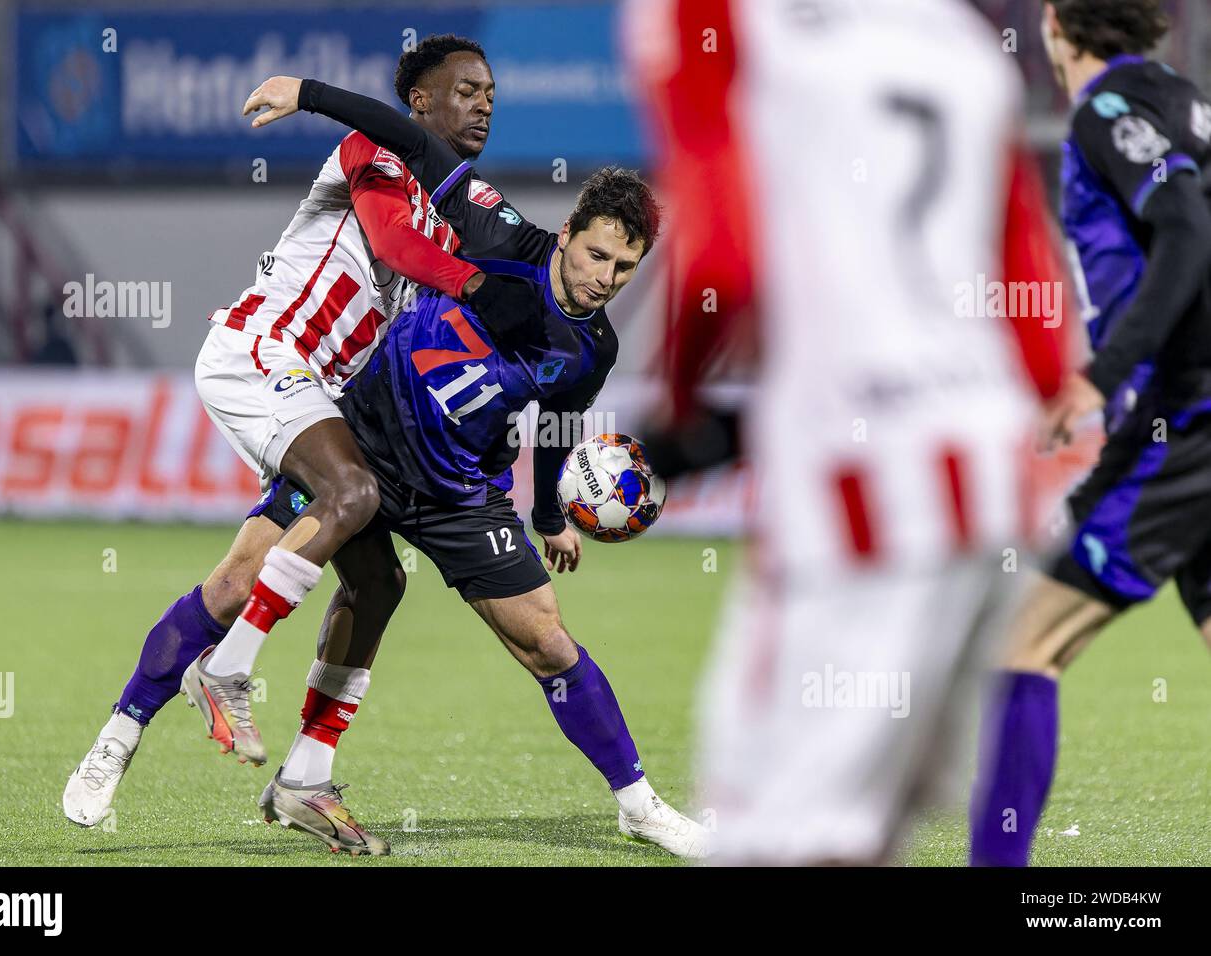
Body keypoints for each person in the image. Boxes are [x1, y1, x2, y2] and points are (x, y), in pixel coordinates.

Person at [625, 0, 1070, 863]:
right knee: (865, 831)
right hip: (995, 480)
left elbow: (721, 253)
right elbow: (1034, 306)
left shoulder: (708, 17)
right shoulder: (962, 37)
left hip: (861, 487)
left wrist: (678, 404)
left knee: (773, 837)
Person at [235, 76, 709, 858]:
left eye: (625, 269)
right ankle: (118, 740)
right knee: (237, 581)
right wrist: (309, 94)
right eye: (596, 254)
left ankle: (639, 804)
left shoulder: (596, 348)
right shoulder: (496, 231)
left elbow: (556, 423)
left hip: (459, 491)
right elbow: (411, 141)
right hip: (366, 445)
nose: (604, 279)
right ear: (565, 235)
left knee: (549, 643)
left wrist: (550, 517)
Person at [63, 35, 521, 833]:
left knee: (363, 582)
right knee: (351, 493)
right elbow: (390, 244)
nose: (484, 102)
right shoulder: (374, 147)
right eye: (467, 89)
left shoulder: (453, 223)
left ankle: (289, 774)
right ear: (418, 102)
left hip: (319, 397)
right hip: (261, 352)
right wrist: (482, 285)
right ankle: (219, 673)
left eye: (491, 92)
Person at [969, 0, 1211, 867]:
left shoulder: (1108, 109)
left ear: (1057, 26)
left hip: (1181, 425)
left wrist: (1096, 378)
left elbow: (1187, 232)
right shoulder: (1181, 98)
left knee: (1021, 645)